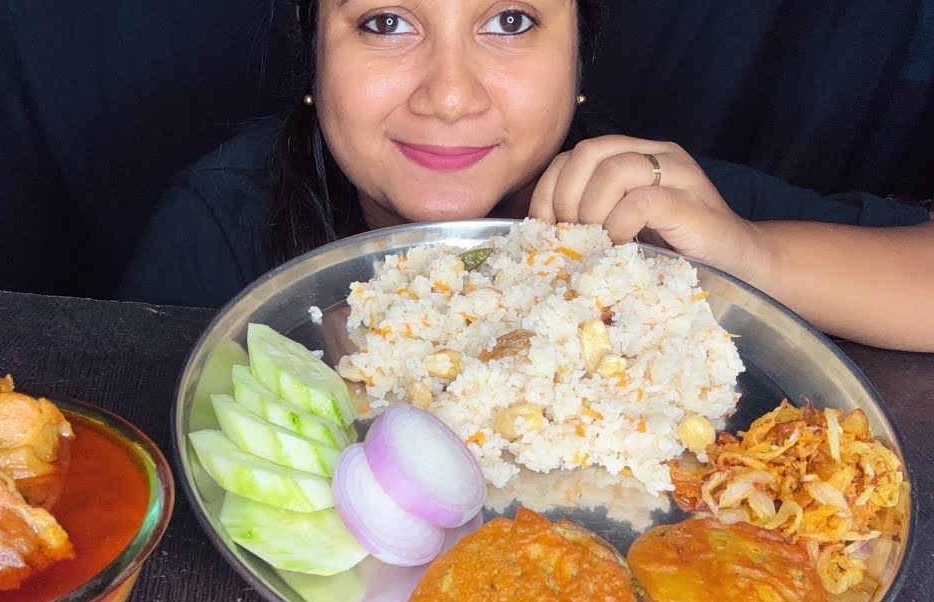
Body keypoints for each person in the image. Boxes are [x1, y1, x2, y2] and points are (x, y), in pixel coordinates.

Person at [118, 0, 934, 353]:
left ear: (579, 56)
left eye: (510, 21)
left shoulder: (649, 207)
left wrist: (755, 257)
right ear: (315, 54)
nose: (449, 94)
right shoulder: (218, 219)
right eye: (386, 22)